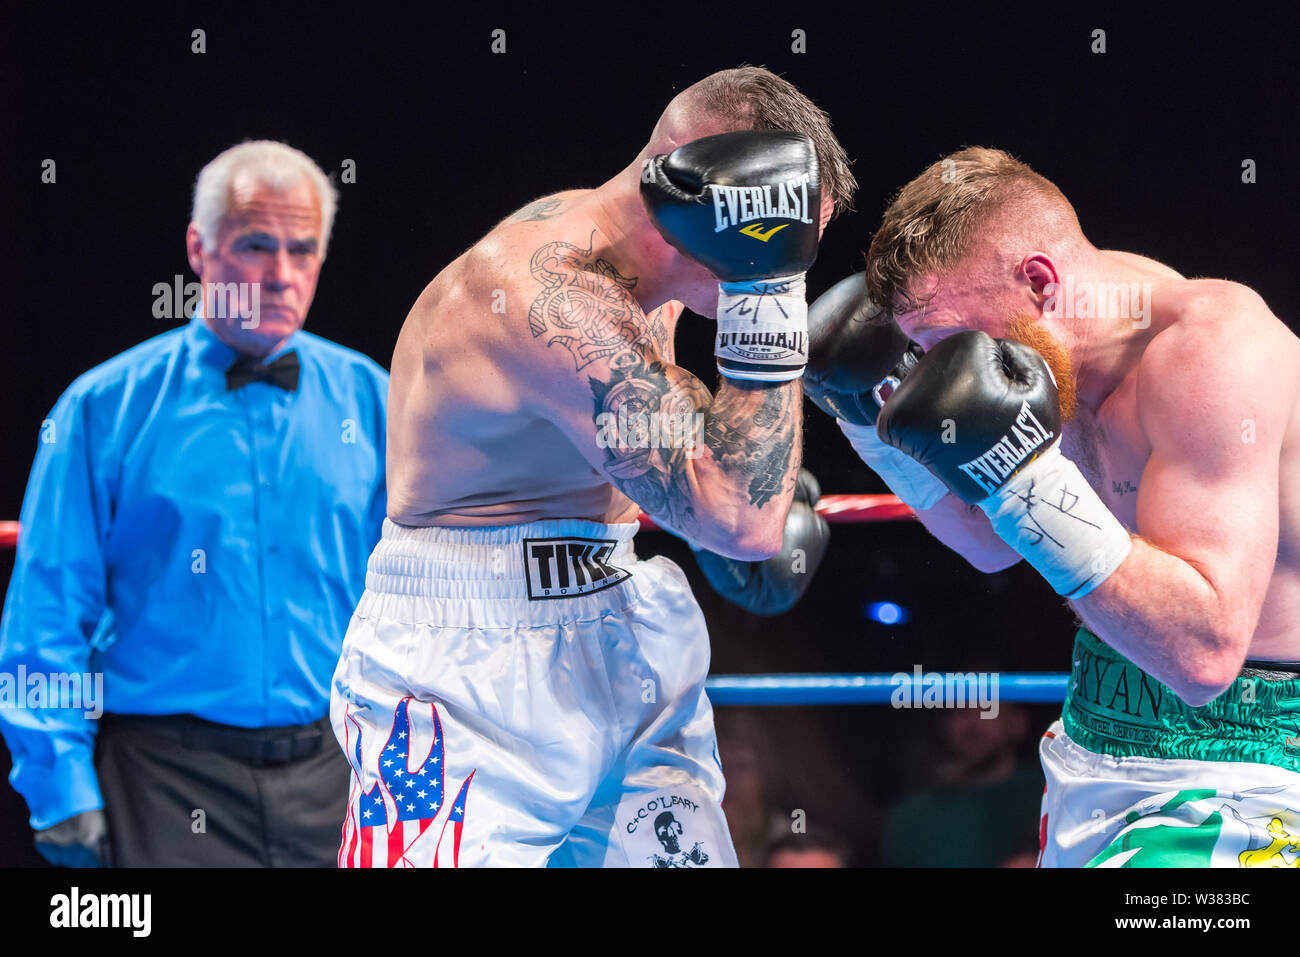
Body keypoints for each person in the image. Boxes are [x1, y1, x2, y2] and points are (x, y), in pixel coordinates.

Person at [331, 66, 854, 867]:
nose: (793, 263)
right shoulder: (544, 293)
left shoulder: (654, 278)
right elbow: (743, 517)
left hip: (621, 618)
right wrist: (767, 288)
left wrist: (700, 515)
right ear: (713, 184)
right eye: (781, 234)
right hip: (466, 662)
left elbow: (682, 474)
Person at [804, 146, 1300, 867]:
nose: (951, 372)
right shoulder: (1050, 352)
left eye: (952, 345)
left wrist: (1021, 477)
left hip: (1245, 769)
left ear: (1040, 279)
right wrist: (867, 425)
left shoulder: (1212, 356)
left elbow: (1203, 656)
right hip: (1090, 743)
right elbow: (992, 540)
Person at [0, 141, 389, 867]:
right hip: (162, 777)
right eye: (255, 245)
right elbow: (48, 612)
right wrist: (59, 786)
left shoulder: (374, 400)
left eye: (302, 249)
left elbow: (416, 604)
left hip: (343, 770)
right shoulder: (102, 410)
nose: (280, 274)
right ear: (198, 248)